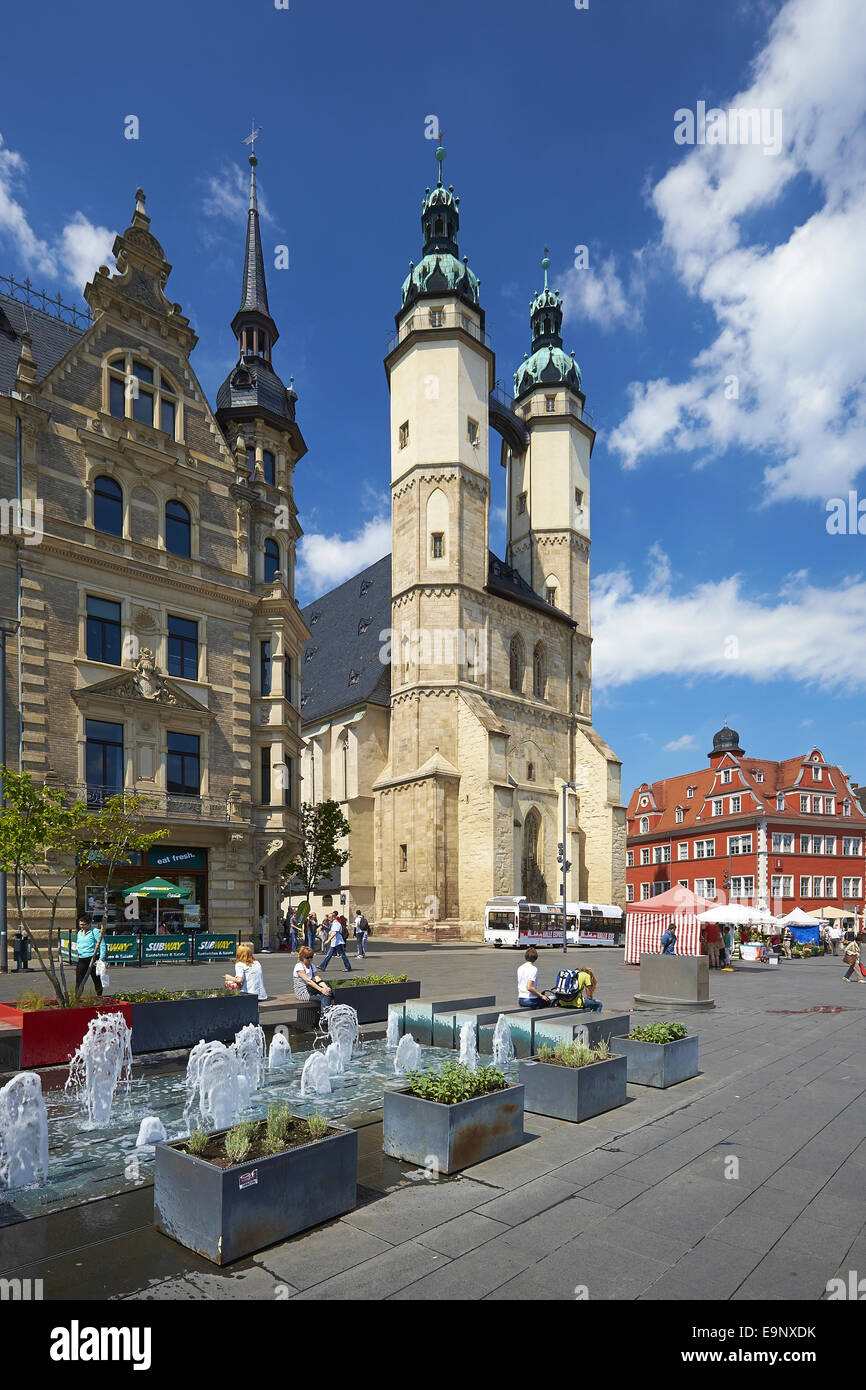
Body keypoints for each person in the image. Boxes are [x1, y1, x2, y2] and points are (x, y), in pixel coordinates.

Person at [293, 946, 333, 1014]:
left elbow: (317, 978)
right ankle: (324, 1016)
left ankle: (325, 1016)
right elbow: (308, 981)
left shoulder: (312, 966)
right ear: (302, 957)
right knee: (325, 996)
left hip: (311, 989)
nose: (310, 959)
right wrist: (321, 990)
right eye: (307, 957)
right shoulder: (299, 966)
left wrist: (326, 987)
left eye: (311, 957)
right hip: (303, 992)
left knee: (328, 993)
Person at [75, 916, 107, 997]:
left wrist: (101, 959)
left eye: (84, 924)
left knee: (96, 979)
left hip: (93, 958)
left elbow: (102, 945)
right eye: (80, 924)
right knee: (79, 979)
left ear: (89, 924)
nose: (81, 926)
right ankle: (77, 997)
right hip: (82, 959)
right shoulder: (79, 933)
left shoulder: (95, 932)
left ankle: (99, 995)